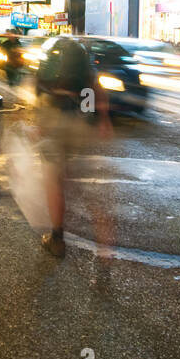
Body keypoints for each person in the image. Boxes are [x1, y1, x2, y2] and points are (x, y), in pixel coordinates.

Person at [34, 37, 112, 257]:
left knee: (54, 182)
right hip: (79, 127)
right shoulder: (87, 72)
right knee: (80, 184)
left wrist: (40, 126)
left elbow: (41, 97)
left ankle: (57, 239)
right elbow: (98, 94)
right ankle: (103, 235)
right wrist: (104, 121)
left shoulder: (48, 68)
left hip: (55, 128)